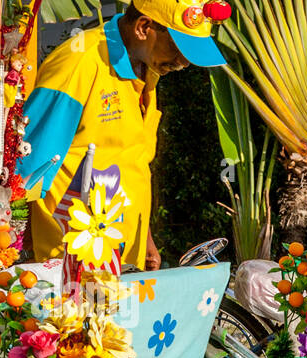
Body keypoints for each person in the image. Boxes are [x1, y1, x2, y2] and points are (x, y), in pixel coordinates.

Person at [19, 0, 228, 270]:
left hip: (125, 250)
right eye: (178, 48)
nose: (184, 63)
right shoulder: (79, 61)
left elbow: (134, 162)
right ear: (144, 27)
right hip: (74, 254)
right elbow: (30, 159)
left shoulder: (148, 68)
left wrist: (145, 237)